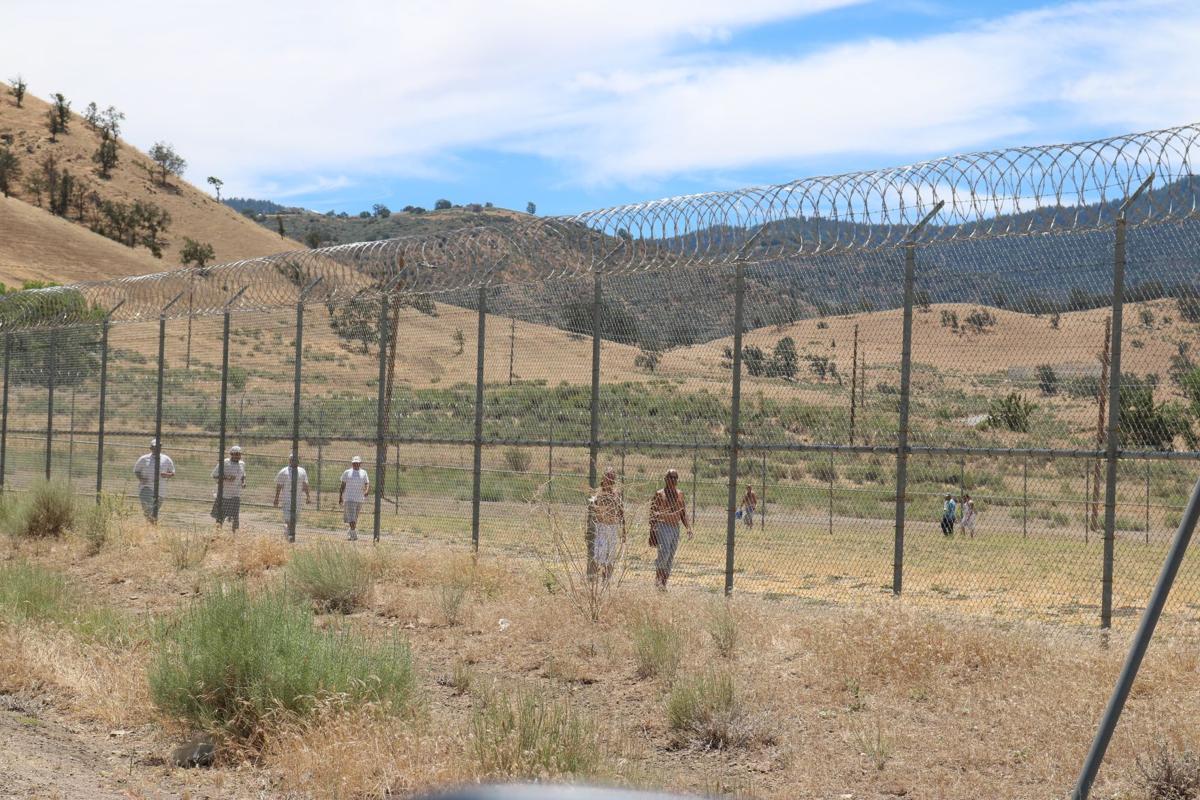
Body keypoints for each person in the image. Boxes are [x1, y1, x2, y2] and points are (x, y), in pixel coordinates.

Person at [649, 468, 692, 589]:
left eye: (675, 478)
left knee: (670, 556)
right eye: (670, 477)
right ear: (665, 479)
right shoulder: (659, 494)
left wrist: (688, 528)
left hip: (675, 528)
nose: (673, 480)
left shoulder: (680, 494)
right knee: (664, 553)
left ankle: (664, 583)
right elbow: (652, 514)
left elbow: (683, 513)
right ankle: (658, 580)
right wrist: (652, 533)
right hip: (662, 526)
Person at [589, 467, 625, 584]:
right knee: (599, 555)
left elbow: (621, 512)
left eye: (612, 477)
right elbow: (592, 511)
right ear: (603, 478)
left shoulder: (616, 494)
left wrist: (623, 530)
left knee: (610, 556)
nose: (610, 480)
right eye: (608, 477)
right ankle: (595, 580)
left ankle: (607, 581)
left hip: (613, 527)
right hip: (601, 528)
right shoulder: (597, 493)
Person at [133, 439, 175, 522]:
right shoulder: (144, 459)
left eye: (159, 447)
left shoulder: (166, 459)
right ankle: (152, 527)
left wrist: (167, 475)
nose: (157, 449)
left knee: (154, 512)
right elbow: (136, 470)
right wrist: (141, 478)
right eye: (155, 447)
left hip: (160, 490)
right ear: (151, 448)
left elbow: (172, 472)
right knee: (148, 510)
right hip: (146, 488)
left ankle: (150, 528)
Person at [273, 453, 311, 538]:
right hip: (287, 499)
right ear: (289, 460)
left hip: (298, 500)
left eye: (296, 459)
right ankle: (289, 533)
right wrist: (276, 498)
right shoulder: (284, 471)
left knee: (294, 520)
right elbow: (279, 486)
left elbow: (305, 484)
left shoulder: (302, 471)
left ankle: (289, 532)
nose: (294, 461)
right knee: (288, 519)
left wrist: (308, 496)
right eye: (292, 459)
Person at [210, 445, 246, 532]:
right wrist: (227, 478)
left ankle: (234, 535)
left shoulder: (242, 464)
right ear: (231, 454)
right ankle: (217, 534)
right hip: (224, 495)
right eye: (235, 454)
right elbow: (214, 475)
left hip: (235, 494)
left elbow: (243, 474)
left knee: (235, 517)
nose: (238, 456)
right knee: (220, 517)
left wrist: (244, 482)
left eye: (239, 454)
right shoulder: (225, 463)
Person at [339, 455, 370, 541]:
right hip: (349, 498)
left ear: (360, 463)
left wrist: (367, 490)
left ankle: (351, 530)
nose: (355, 464)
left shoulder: (364, 472)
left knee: (355, 518)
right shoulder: (347, 472)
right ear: (352, 463)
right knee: (352, 518)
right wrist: (340, 497)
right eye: (354, 463)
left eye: (357, 463)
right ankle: (354, 535)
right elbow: (342, 485)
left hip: (359, 498)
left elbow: (367, 483)